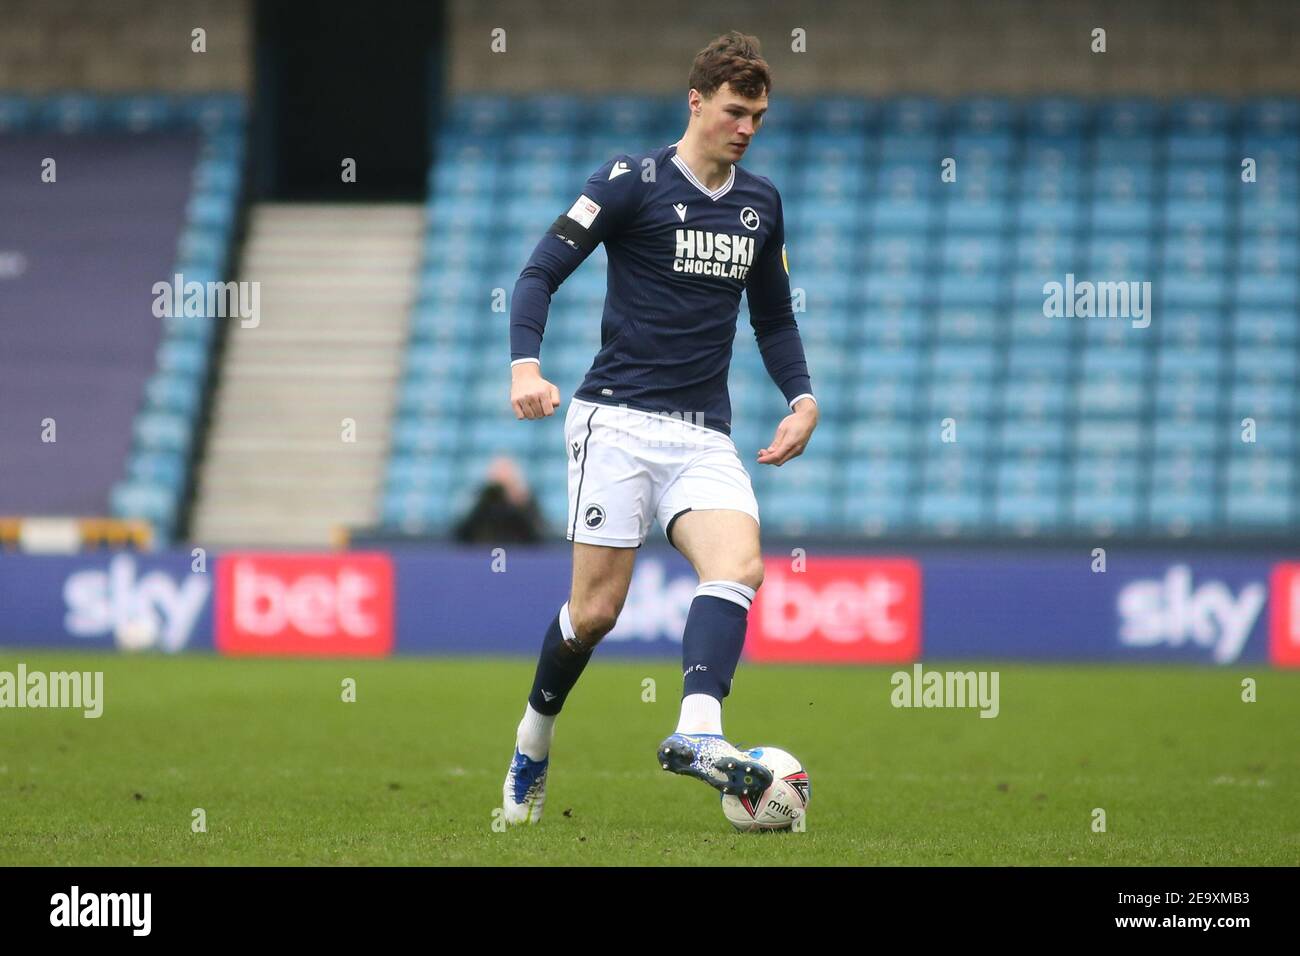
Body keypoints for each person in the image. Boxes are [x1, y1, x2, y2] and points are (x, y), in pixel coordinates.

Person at [502, 31, 818, 823]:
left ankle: (698, 733)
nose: (747, 128)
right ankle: (533, 738)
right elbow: (540, 271)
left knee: (740, 565)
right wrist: (525, 367)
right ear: (697, 101)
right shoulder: (629, 181)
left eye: (760, 116)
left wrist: (802, 398)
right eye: (736, 111)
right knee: (597, 614)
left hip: (705, 432)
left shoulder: (762, 204)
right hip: (616, 421)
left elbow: (773, 317)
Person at [452, 455, 546, 544]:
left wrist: (522, 505)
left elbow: (539, 536)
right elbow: (461, 534)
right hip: (484, 555)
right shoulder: (483, 501)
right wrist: (484, 499)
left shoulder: (526, 501)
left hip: (518, 555)